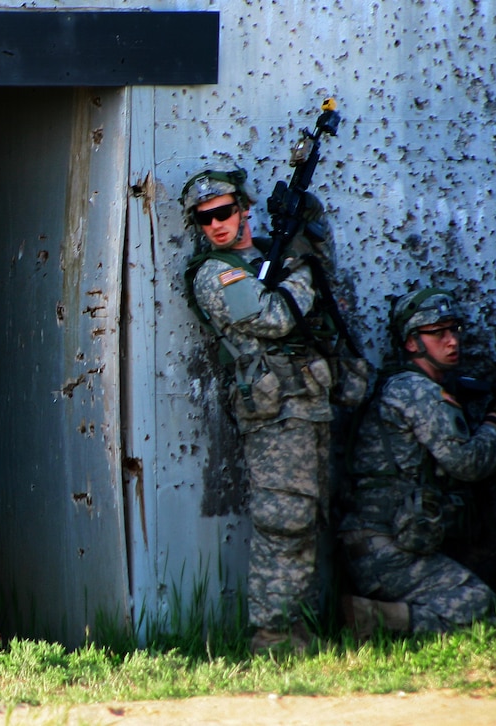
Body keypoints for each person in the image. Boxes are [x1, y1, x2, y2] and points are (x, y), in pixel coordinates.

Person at [181, 168, 334, 654]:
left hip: (309, 401)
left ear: (243, 208)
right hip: (275, 412)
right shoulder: (215, 273)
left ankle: (301, 630)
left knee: (307, 518)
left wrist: (308, 241)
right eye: (204, 219)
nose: (216, 224)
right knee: (282, 521)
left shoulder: (273, 254)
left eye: (223, 212)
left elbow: (322, 293)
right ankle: (272, 637)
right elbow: (275, 317)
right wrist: (303, 267)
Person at [338, 288, 496, 637]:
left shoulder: (413, 386)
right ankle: (379, 619)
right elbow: (468, 463)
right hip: (385, 550)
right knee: (493, 620)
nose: (452, 341)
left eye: (454, 330)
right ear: (412, 343)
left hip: (392, 543)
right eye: (438, 333)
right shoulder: (417, 390)